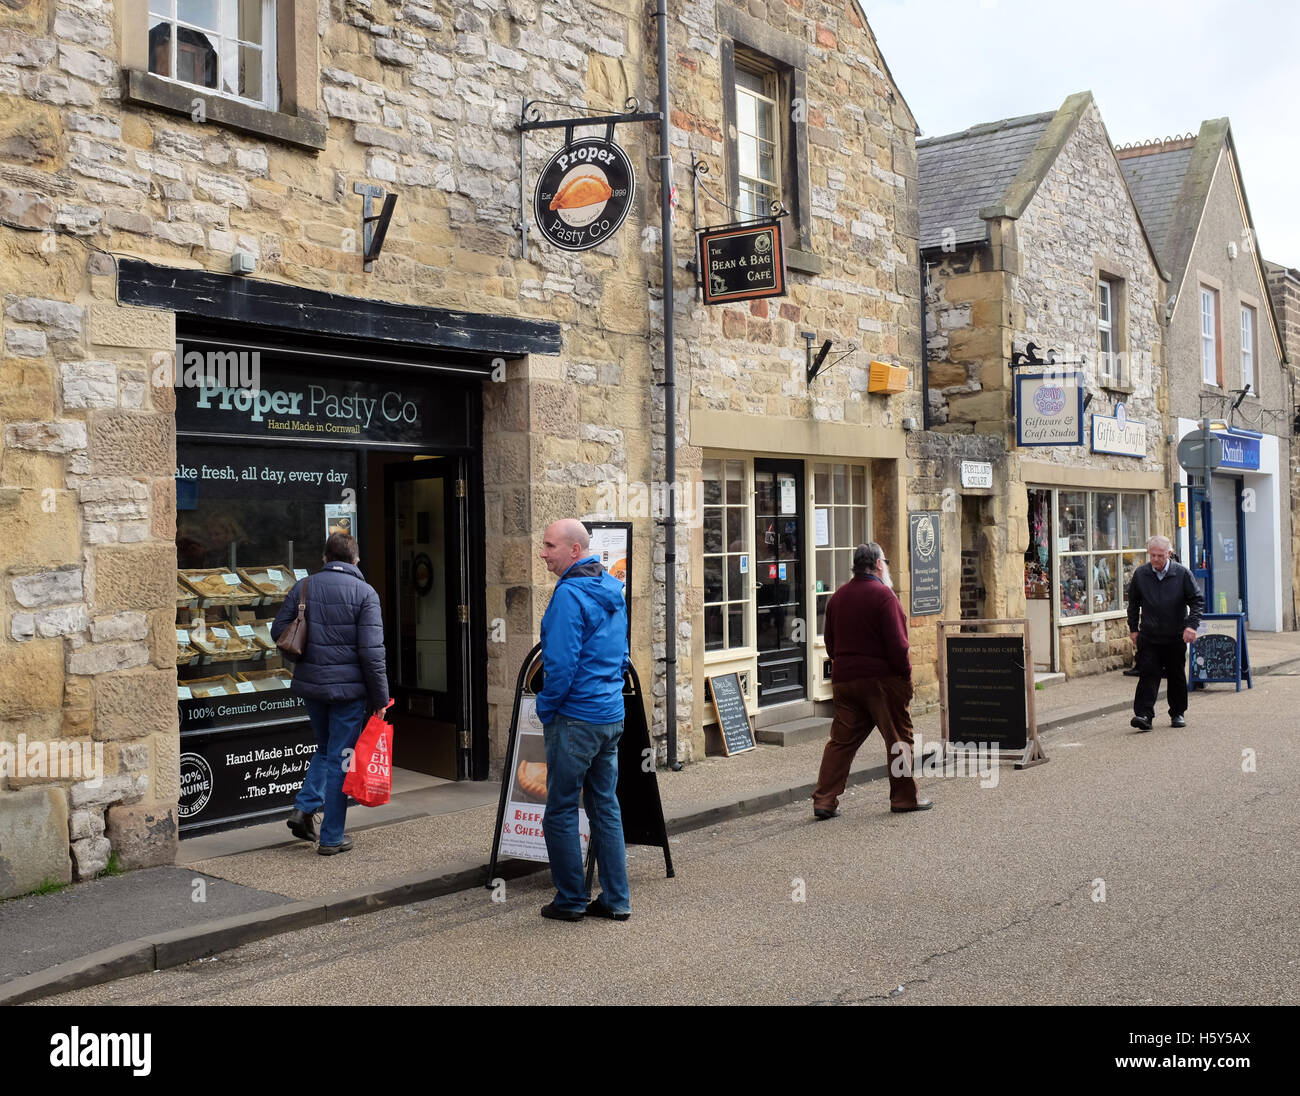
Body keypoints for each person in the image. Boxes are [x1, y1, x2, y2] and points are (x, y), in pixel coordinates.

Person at [535, 518, 631, 922]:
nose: (543, 553)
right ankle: (616, 899)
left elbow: (559, 666)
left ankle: (571, 899)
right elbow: (623, 655)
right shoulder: (613, 588)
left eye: (550, 545)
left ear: (575, 550)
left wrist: (545, 706)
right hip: (609, 714)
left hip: (575, 718)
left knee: (558, 810)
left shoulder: (569, 597)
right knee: (605, 807)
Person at [273, 532, 389, 854]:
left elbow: (277, 631)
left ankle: (304, 807)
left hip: (312, 687)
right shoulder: (366, 594)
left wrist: (308, 653)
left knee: (326, 750)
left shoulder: (304, 586)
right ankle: (332, 837)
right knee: (341, 759)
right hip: (349, 693)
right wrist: (381, 699)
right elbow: (372, 653)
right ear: (356, 560)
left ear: (325, 558)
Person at [812, 542, 932, 818]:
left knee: (841, 742)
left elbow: (830, 642)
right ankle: (904, 798)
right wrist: (905, 677)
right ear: (878, 564)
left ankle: (824, 800)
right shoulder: (884, 597)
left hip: (845, 680)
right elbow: (899, 646)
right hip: (882, 681)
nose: (886, 567)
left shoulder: (838, 597)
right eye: (885, 562)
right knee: (899, 740)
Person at [1127, 534, 1203, 731]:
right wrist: (1133, 628)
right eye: (1152, 555)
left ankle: (1177, 712)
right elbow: (1133, 604)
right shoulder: (1141, 574)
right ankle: (1144, 715)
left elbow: (1196, 600)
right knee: (1148, 674)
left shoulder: (1182, 574)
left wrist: (1191, 625)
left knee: (1176, 674)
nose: (1155, 559)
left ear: (1169, 554)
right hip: (1149, 635)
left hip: (1175, 634)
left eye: (1160, 555)